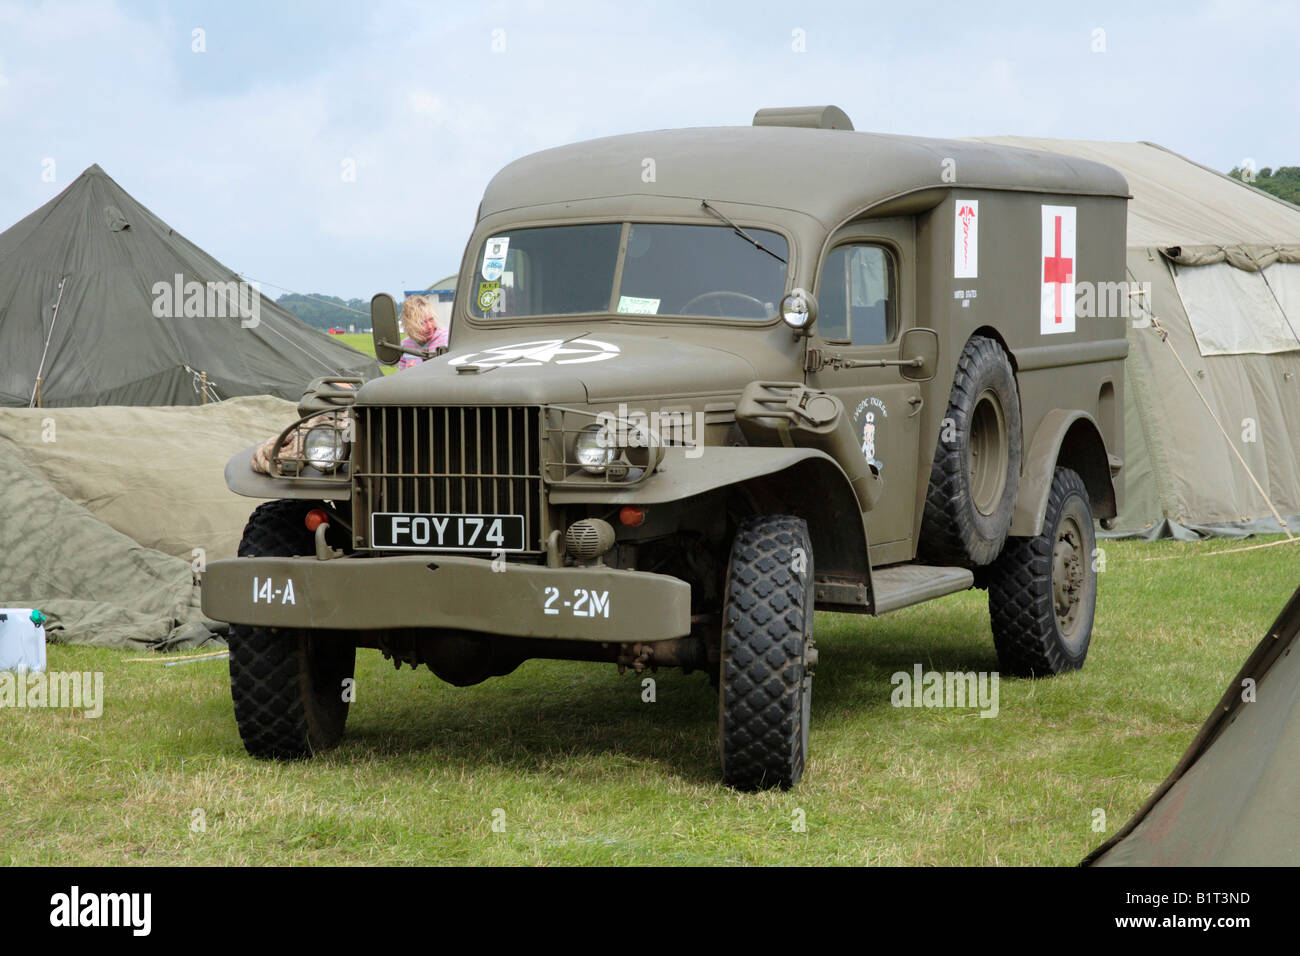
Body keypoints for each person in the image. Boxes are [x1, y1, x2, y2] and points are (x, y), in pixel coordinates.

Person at [397, 294, 448, 370]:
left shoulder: (446, 339)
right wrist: (407, 372)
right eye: (422, 323)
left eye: (431, 319)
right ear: (410, 324)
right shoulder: (405, 346)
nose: (430, 326)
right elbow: (400, 376)